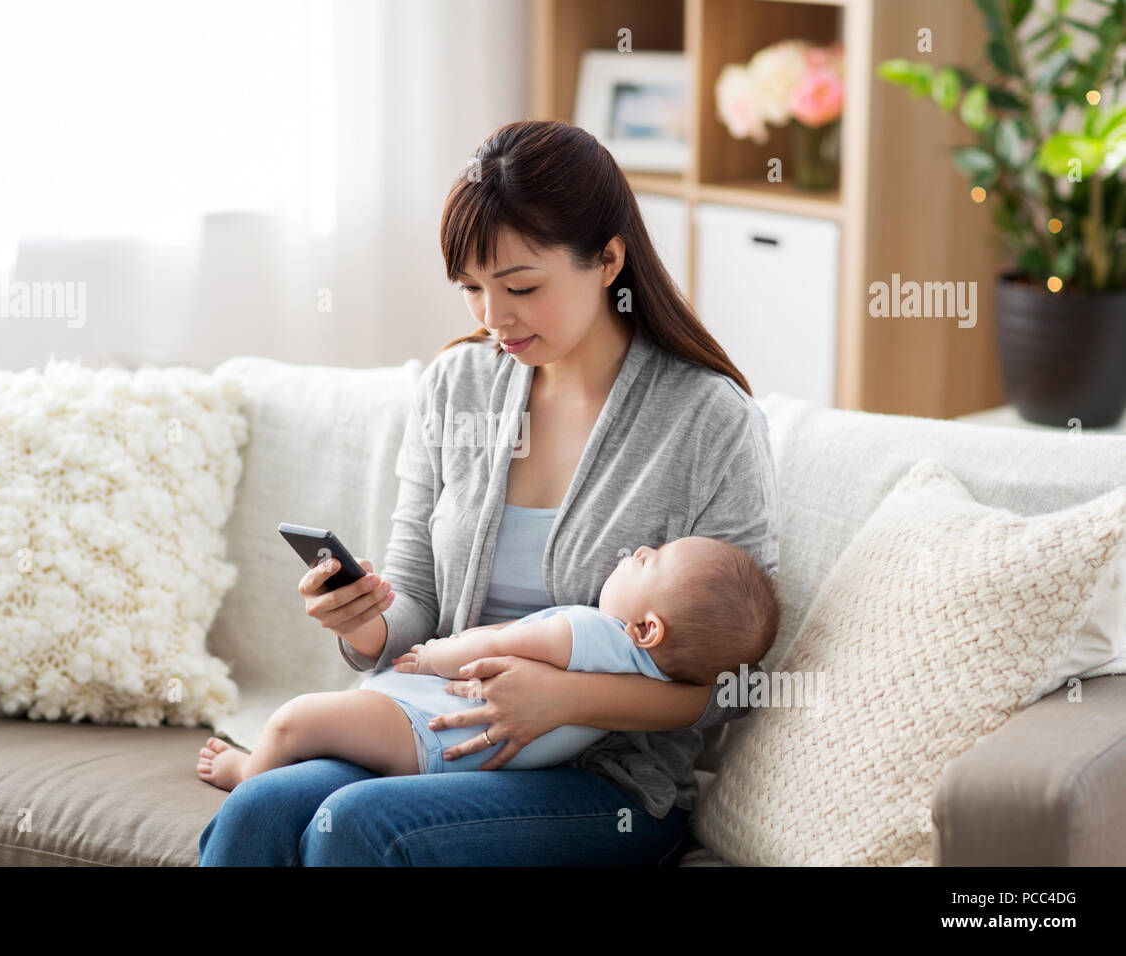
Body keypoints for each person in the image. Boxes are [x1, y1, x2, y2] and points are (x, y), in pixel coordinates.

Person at [198, 118, 781, 866]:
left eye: (521, 287)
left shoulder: (708, 423)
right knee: (260, 806)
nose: (492, 317)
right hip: (440, 729)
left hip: (606, 784)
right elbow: (414, 609)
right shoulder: (457, 387)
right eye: (471, 288)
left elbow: (727, 681)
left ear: (608, 260)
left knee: (362, 824)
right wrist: (362, 624)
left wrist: (565, 700)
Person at [196, 535, 778, 785]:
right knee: (312, 749)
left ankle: (246, 772)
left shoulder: (594, 631)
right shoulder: (651, 669)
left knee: (296, 720)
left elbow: (503, 643)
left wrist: (437, 655)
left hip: (430, 731)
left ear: (647, 627)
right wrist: (365, 623)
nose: (641, 550)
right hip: (462, 754)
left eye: (650, 561)